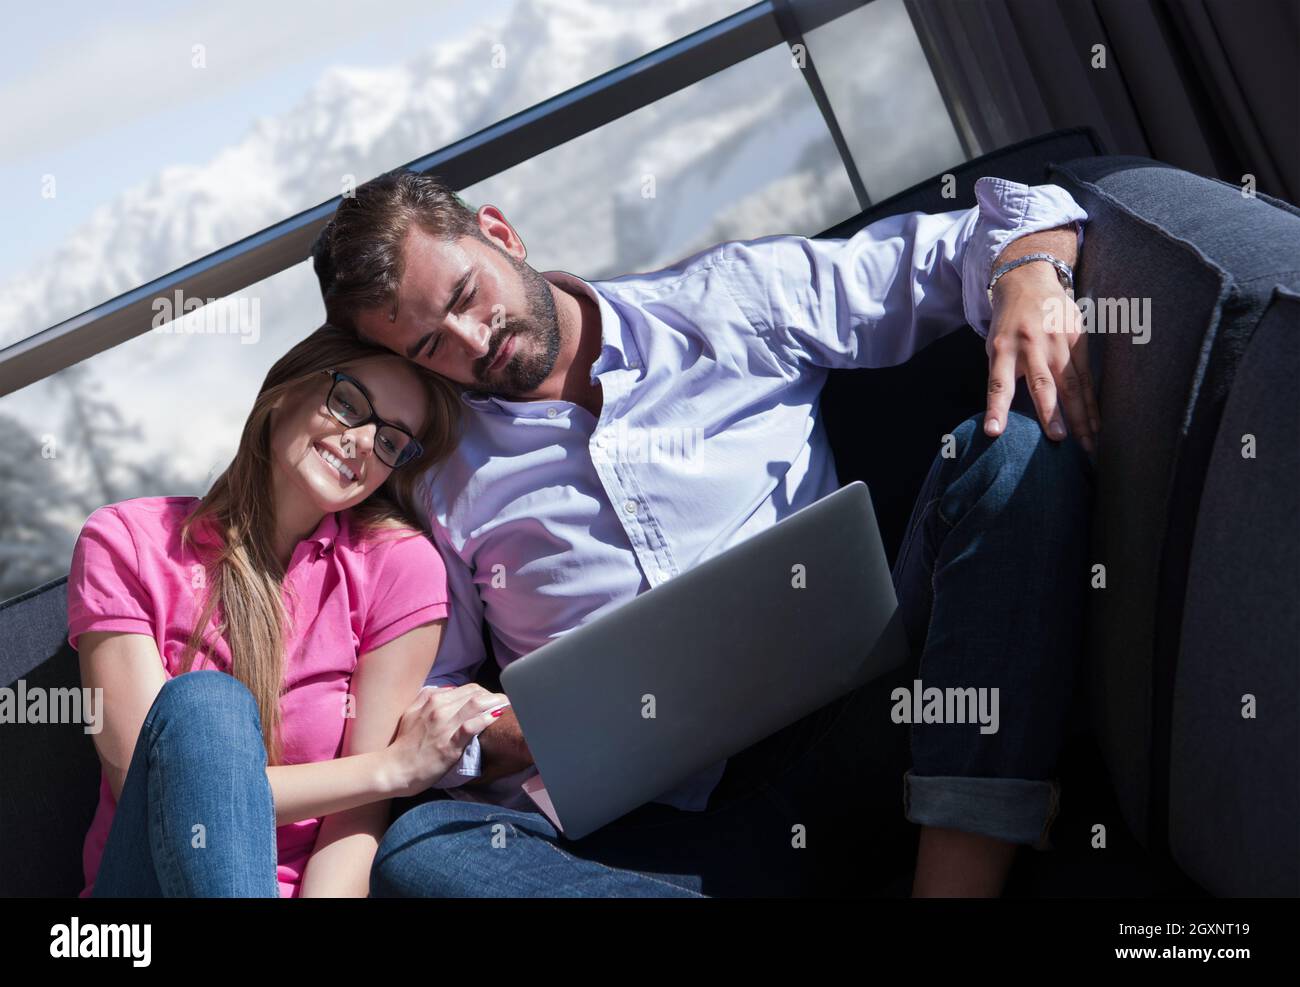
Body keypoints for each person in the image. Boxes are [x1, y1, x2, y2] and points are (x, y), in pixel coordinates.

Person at [310, 168, 1097, 897]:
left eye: (465, 297)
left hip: (873, 719)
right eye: (430, 347)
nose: (473, 343)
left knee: (1013, 457)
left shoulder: (728, 299)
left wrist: (1030, 275)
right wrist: (520, 731)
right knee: (424, 852)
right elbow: (431, 710)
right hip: (676, 834)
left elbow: (992, 231)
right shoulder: (436, 482)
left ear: (501, 235)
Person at [67, 323, 509, 897]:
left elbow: (355, 822)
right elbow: (153, 791)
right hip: (148, 886)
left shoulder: (397, 567)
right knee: (206, 708)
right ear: (286, 388)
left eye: (391, 441)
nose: (362, 441)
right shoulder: (126, 542)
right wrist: (393, 769)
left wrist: (373, 782)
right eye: (350, 403)